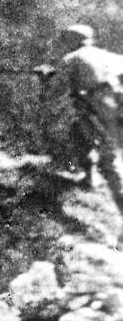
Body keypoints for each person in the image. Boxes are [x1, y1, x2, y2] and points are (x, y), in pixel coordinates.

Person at [37, 24, 123, 215]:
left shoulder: (72, 58)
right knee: (78, 132)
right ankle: (90, 177)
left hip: (96, 110)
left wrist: (45, 78)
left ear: (73, 40)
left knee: (108, 160)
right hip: (115, 108)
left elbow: (56, 88)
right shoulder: (107, 55)